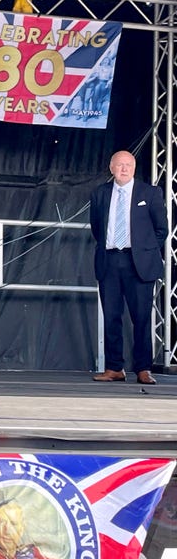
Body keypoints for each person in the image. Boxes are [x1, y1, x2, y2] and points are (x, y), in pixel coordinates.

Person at [90, 150, 168, 384]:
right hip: (110, 260)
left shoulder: (150, 193)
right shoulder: (100, 193)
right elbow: (97, 228)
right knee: (111, 316)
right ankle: (115, 368)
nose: (124, 169)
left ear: (134, 168)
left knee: (141, 317)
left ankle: (143, 368)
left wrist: (144, 250)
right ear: (111, 168)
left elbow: (161, 229)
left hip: (139, 263)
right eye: (120, 165)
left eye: (129, 165)